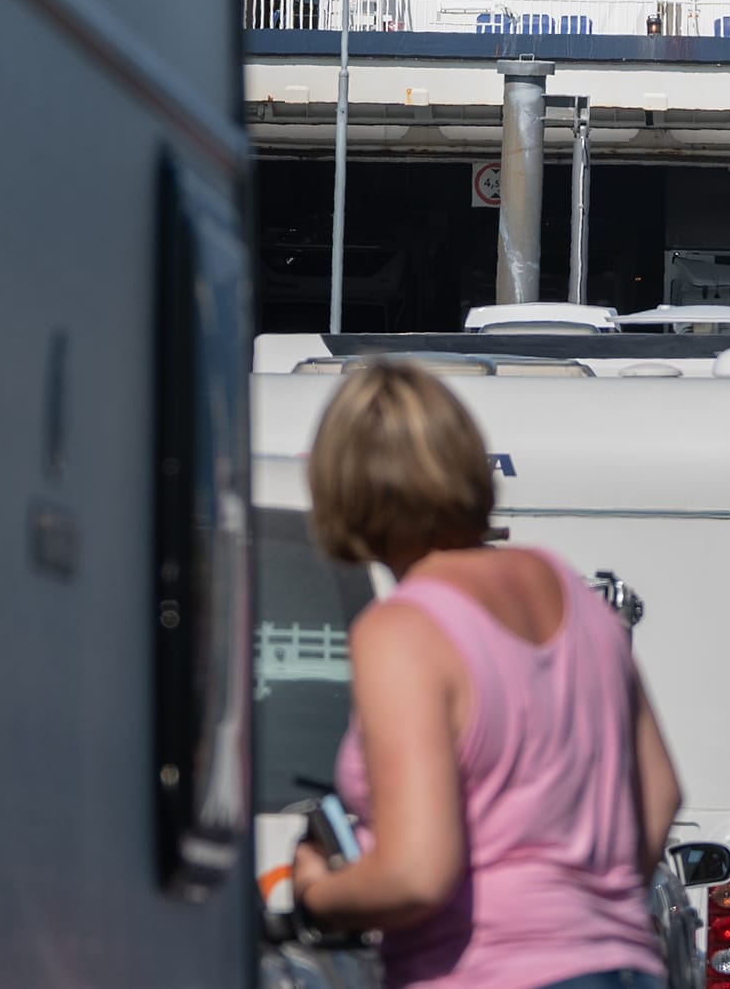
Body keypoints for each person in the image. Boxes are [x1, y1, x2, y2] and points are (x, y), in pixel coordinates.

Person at [288, 357, 682, 989]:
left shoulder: (404, 629)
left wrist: (314, 894)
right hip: (623, 963)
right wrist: (580, 912)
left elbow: (416, 873)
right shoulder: (570, 589)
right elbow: (659, 794)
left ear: (345, 489)